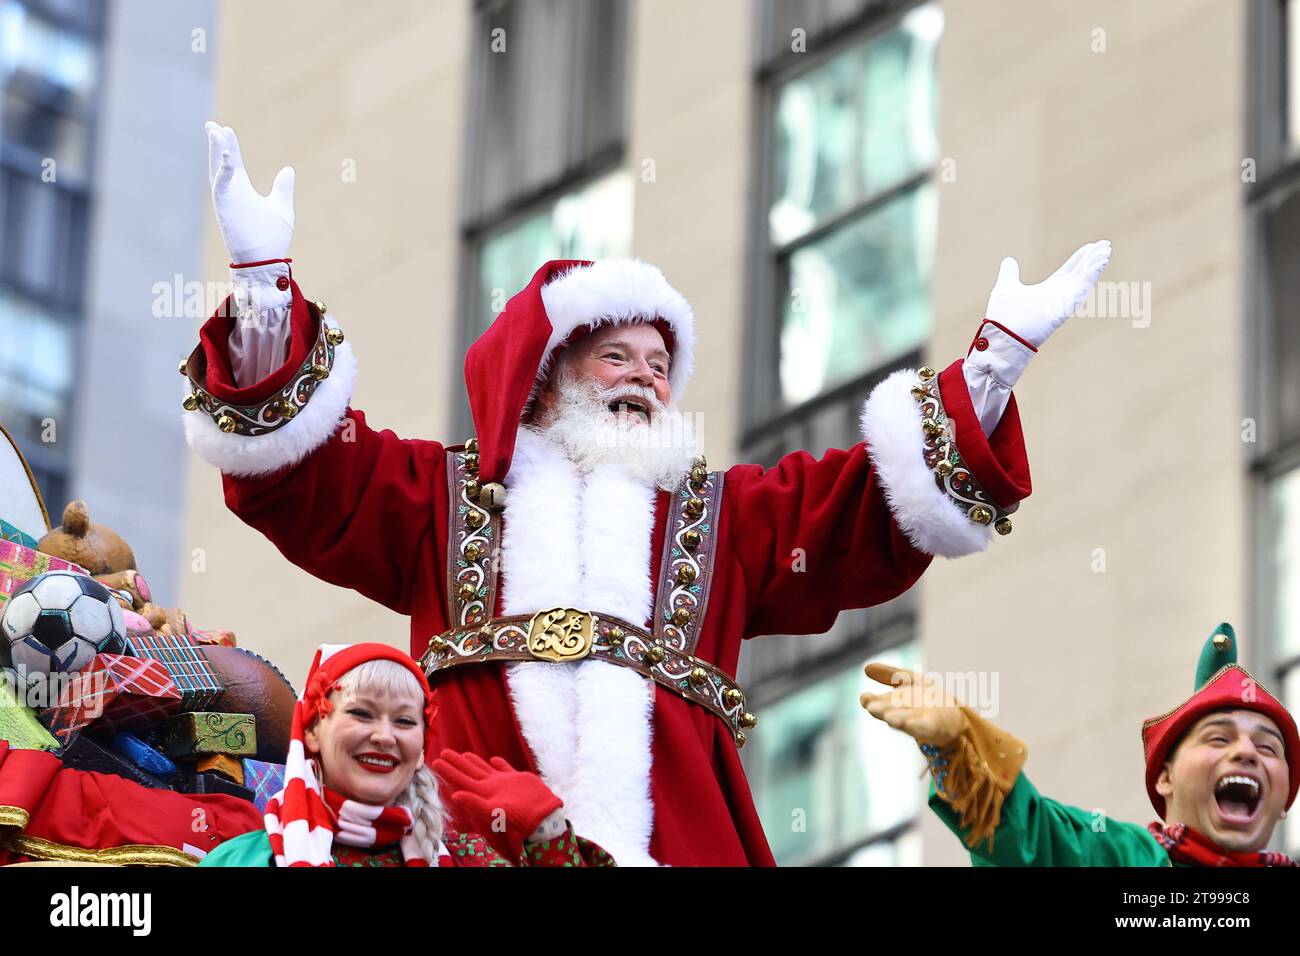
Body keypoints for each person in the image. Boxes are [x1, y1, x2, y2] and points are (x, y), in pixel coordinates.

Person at [181, 121, 1109, 865]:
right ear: (546, 377)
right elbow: (304, 478)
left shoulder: (723, 516)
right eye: (615, 357)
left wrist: (991, 367)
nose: (643, 381)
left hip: (679, 837)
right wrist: (266, 288)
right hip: (477, 835)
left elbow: (864, 509)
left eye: (661, 366)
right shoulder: (444, 494)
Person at [860, 623, 1299, 866]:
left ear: (1285, 801)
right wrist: (957, 753)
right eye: (1218, 738)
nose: (1244, 752)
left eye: (1267, 749)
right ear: (1165, 777)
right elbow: (1033, 841)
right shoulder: (1124, 859)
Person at [200, 642, 612, 866]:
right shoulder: (244, 860)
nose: (384, 736)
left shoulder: (466, 859)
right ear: (311, 729)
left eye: (404, 722)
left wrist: (549, 832)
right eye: (362, 713)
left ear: (420, 749)